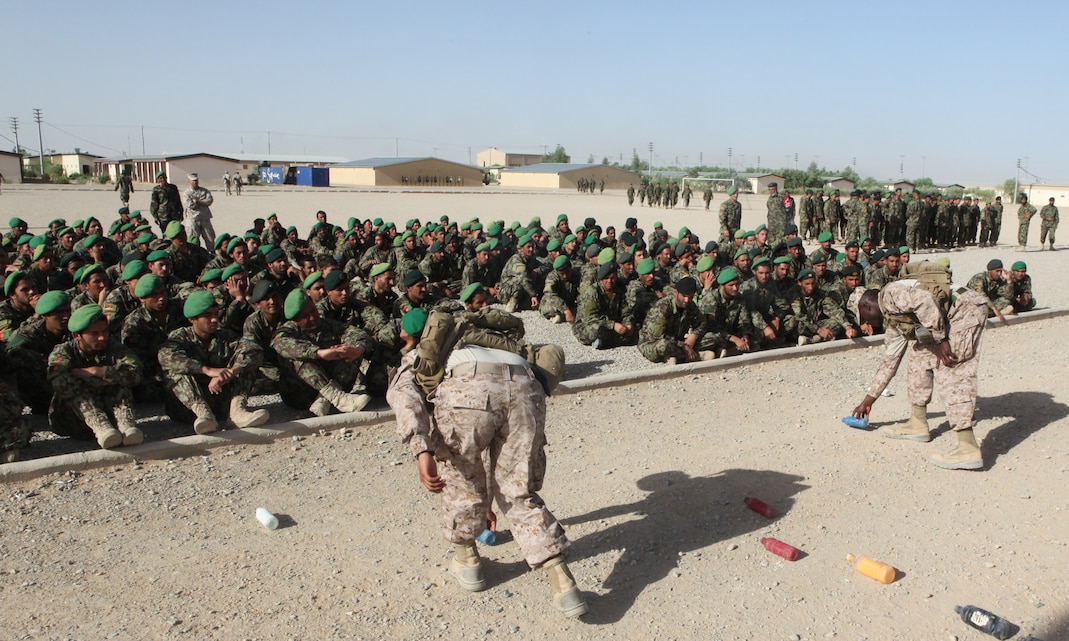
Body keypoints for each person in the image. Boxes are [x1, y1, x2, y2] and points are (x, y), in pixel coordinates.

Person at [386, 308, 586, 618]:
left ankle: (469, 564)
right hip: (525, 388)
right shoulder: (491, 340)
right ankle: (564, 583)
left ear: (417, 336)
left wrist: (422, 450)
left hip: (467, 389)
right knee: (518, 489)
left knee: (462, 480)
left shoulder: (424, 352)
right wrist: (489, 503)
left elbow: (404, 396)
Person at [850, 275, 990, 470]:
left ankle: (968, 447)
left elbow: (926, 301)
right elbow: (889, 362)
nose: (868, 324)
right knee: (919, 358)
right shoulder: (893, 319)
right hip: (948, 316)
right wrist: (868, 400)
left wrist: (941, 340)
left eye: (864, 318)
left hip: (965, 309)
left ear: (867, 307)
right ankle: (918, 423)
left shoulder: (891, 294)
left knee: (951, 368)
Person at [158, 290, 270, 434]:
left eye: (216, 314)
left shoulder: (224, 336)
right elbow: (165, 356)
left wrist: (230, 372)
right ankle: (204, 414)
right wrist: (206, 370)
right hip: (188, 409)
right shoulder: (181, 336)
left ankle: (237, 412)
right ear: (193, 319)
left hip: (221, 402)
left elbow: (254, 350)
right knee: (173, 371)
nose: (214, 319)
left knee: (244, 363)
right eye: (207, 315)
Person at [47, 304, 143, 449]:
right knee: (80, 391)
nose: (102, 337)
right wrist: (105, 380)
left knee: (120, 382)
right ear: (76, 336)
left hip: (112, 419)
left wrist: (97, 371)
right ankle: (101, 427)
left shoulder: (113, 347)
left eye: (105, 331)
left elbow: (135, 374)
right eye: (94, 334)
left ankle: (126, 427)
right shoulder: (63, 352)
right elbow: (61, 384)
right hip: (72, 420)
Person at [637, 276, 707, 365]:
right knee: (665, 346)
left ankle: (680, 356)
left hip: (677, 341)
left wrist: (694, 335)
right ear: (676, 293)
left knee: (710, 337)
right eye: (684, 296)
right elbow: (657, 337)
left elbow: (702, 322)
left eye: (690, 297)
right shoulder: (663, 308)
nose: (687, 300)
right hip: (653, 343)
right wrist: (683, 345)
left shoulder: (690, 305)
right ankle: (692, 356)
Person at [183, 173, 216, 248]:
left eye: (196, 180)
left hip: (205, 218)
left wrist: (197, 201)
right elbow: (190, 205)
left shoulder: (204, 191)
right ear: (189, 181)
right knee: (193, 240)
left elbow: (209, 201)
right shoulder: (187, 193)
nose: (195, 182)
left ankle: (212, 254)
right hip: (193, 218)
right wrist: (202, 202)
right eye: (193, 181)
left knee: (210, 238)